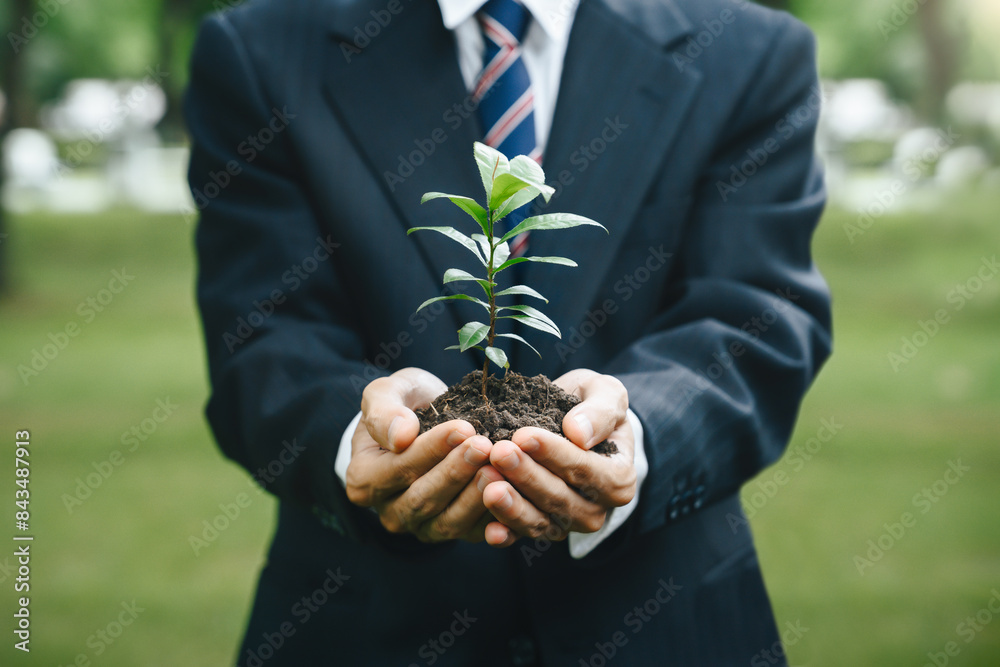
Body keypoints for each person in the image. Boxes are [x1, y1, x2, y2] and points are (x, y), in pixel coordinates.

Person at [186, 0, 832, 664]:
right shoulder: (262, 51)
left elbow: (758, 315)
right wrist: (360, 434)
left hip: (667, 626)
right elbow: (260, 338)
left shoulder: (748, 52)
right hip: (362, 630)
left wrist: (633, 435)